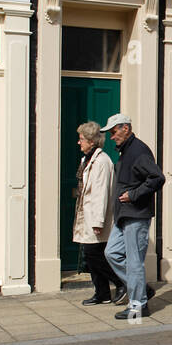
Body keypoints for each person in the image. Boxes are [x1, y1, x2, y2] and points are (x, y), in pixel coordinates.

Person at [103, 114, 164, 319]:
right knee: (112, 253)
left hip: (136, 214)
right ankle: (141, 290)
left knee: (135, 262)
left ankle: (138, 306)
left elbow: (157, 178)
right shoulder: (126, 152)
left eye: (114, 132)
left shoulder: (138, 151)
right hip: (124, 216)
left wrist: (133, 195)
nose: (112, 137)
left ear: (126, 128)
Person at [72, 121, 126, 306]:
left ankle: (122, 283)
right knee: (92, 255)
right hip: (86, 214)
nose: (79, 143)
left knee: (94, 255)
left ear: (91, 141)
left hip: (96, 217)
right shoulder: (87, 159)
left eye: (81, 139)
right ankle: (102, 293)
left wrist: (98, 221)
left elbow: (101, 193)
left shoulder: (102, 162)